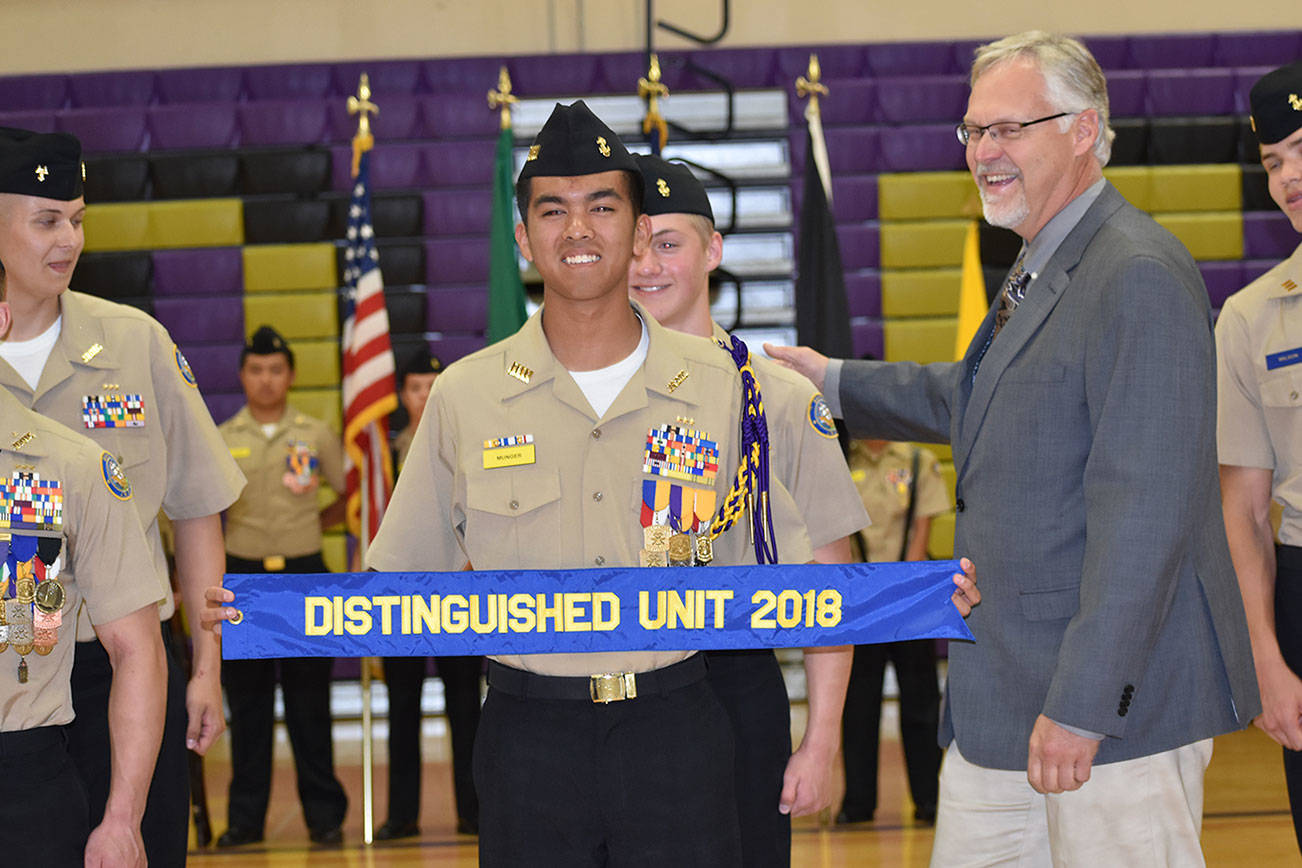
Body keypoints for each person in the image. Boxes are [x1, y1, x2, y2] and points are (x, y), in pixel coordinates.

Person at [364, 100, 911, 866]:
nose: (577, 229)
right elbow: (395, 585)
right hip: (527, 737)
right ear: (523, 238)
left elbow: (818, 576)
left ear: (633, 232)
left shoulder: (726, 389)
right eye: (552, 210)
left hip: (677, 730)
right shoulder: (465, 396)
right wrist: (262, 614)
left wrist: (926, 597)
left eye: (602, 208)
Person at [766, 31, 1258, 865]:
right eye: (972, 132)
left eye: (1008, 129)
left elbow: (1147, 516)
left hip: (1106, 714)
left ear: (1082, 129)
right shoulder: (1044, 260)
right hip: (1003, 697)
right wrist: (834, 380)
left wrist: (1084, 704)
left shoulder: (1134, 271)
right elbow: (975, 396)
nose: (983, 153)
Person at [0, 126, 244, 865]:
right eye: (46, 220)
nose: (68, 238)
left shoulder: (135, 343)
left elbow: (197, 508)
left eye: (77, 218)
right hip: (14, 672)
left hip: (123, 669)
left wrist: (206, 668)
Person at [628, 153, 866, 866]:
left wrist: (821, 741)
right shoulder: (570, 403)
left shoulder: (781, 398)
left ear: (714, 250)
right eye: (634, 245)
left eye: (668, 243)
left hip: (728, 689)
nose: (648, 265)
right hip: (597, 696)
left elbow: (832, 579)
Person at [0, 279, 167, 868]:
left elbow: (137, 649)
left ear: (0, 319)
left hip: (22, 783)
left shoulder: (68, 467)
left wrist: (123, 817)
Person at [216, 325, 349, 847]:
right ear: (242, 376)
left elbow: (348, 492)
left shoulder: (315, 434)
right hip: (244, 578)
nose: (266, 380)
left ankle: (324, 818)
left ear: (290, 375)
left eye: (276, 370)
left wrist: (314, 525)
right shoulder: (223, 439)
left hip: (304, 576)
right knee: (247, 707)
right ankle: (245, 822)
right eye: (256, 370)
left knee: (309, 701)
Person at [1216, 60, 1302, 854]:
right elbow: (1242, 510)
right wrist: (1267, 661)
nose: (1290, 177)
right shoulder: (1249, 320)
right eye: (1274, 161)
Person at [378, 346, 482, 839]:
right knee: (402, 705)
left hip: (455, 590)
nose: (424, 395)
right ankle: (401, 815)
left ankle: (473, 809)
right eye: (415, 386)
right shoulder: (380, 450)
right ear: (402, 393)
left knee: (466, 704)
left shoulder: (463, 442)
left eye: (431, 385)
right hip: (400, 596)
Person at [837, 437, 949, 825]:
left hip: (908, 594)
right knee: (858, 704)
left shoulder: (919, 461)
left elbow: (921, 533)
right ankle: (857, 804)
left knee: (921, 703)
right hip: (859, 598)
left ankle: (930, 801)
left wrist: (902, 591)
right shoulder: (839, 459)